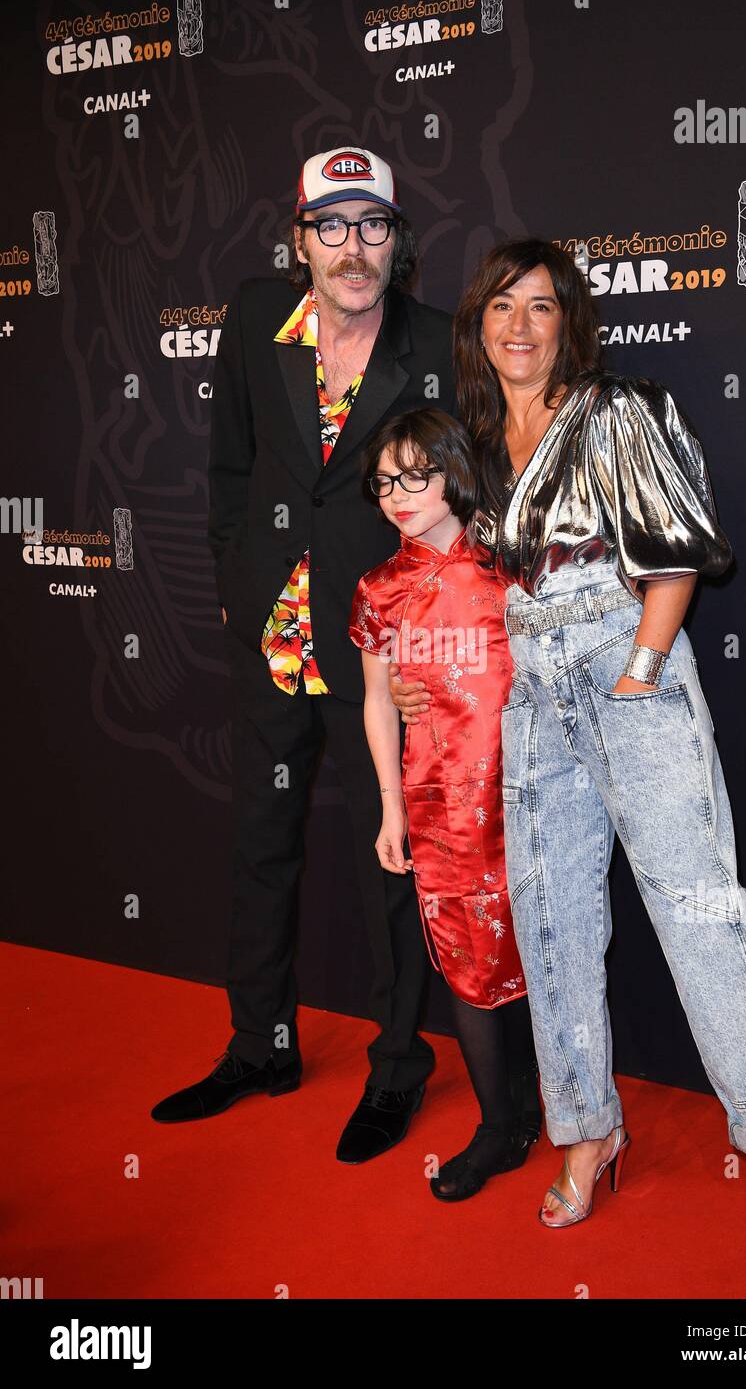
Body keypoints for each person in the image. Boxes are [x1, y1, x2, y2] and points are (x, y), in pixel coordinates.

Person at [389, 238, 746, 1282]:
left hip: (621, 662)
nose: (519, 326)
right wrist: (421, 678)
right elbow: (458, 577)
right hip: (531, 689)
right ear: (477, 326)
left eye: (541, 307)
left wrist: (638, 667)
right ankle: (586, 1129)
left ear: (568, 324)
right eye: (501, 306)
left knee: (701, 913)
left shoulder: (614, 409)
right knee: (550, 920)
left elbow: (674, 546)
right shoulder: (482, 437)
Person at [152, 147, 458, 1165]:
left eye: (372, 224)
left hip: (375, 648)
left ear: (395, 238)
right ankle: (260, 1047)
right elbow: (229, 465)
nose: (352, 247)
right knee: (259, 844)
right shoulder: (252, 322)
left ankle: (393, 1072)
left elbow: (459, 497)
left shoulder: (437, 342)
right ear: (300, 241)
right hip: (271, 632)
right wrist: (237, 583)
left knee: (388, 863)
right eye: (330, 225)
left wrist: (424, 619)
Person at [347, 408, 542, 1200]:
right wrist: (392, 810)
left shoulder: (513, 566)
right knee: (467, 974)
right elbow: (373, 703)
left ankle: (559, 1115)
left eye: (415, 475)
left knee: (547, 965)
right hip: (440, 815)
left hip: (530, 802)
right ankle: (498, 1126)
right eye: (384, 481)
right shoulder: (377, 589)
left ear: (454, 470)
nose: (398, 494)